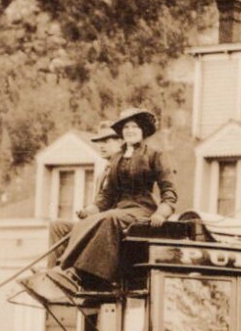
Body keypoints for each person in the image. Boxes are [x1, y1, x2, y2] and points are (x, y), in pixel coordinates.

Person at [25, 107, 175, 299]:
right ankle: (54, 273)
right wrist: (91, 210)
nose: (130, 130)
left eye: (134, 127)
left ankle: (75, 272)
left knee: (108, 218)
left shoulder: (155, 155)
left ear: (143, 130)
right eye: (126, 127)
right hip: (119, 211)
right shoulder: (117, 158)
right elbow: (107, 195)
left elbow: (169, 192)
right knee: (65, 225)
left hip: (141, 211)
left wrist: (161, 213)